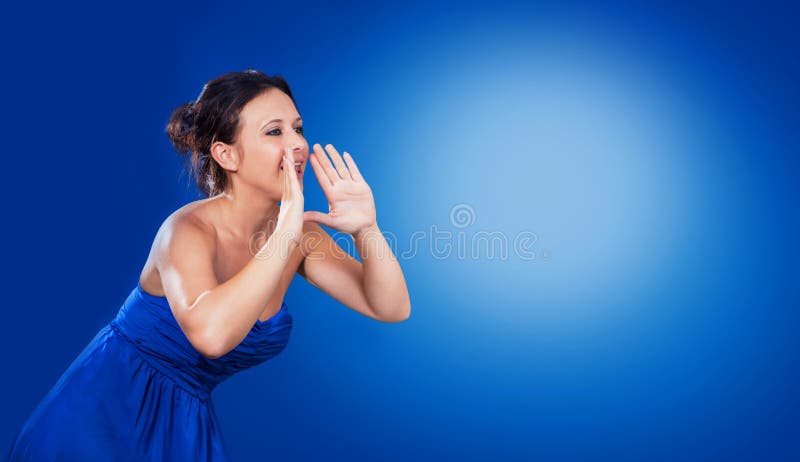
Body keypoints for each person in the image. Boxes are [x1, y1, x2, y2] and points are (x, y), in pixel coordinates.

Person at [5, 69, 411, 461]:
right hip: (98, 417)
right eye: (275, 132)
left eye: (298, 128)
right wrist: (287, 230)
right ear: (226, 154)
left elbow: (390, 307)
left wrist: (367, 229)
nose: (297, 145)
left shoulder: (301, 238)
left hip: (184, 424)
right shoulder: (186, 230)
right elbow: (212, 337)